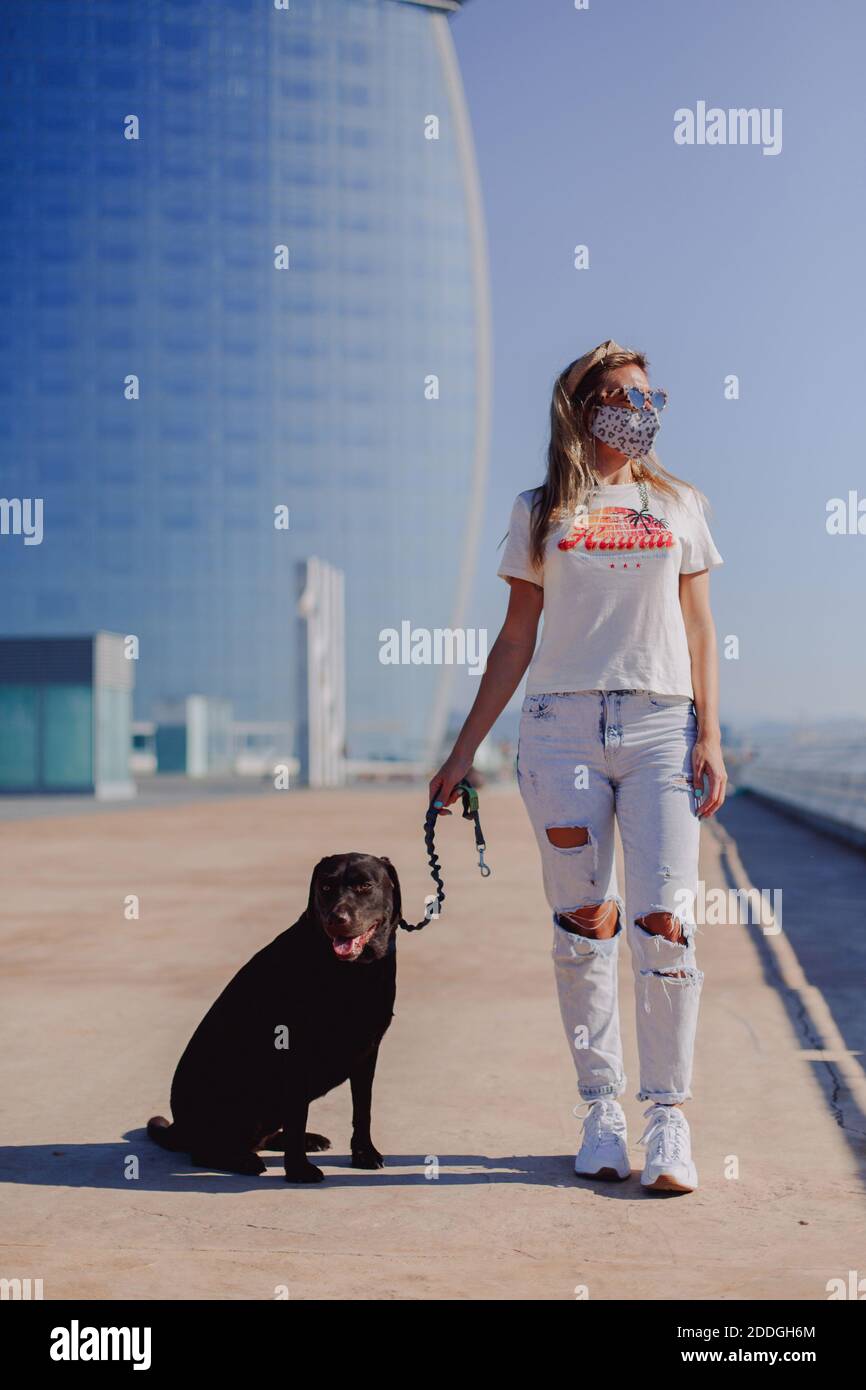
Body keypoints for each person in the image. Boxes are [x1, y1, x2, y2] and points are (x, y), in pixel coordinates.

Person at [429, 339, 726, 1194]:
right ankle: (601, 1110)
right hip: (559, 732)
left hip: (662, 725)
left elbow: (701, 629)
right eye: (622, 395)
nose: (639, 408)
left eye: (647, 393)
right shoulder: (542, 508)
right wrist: (461, 753)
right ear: (583, 406)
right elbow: (516, 637)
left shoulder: (679, 501)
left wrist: (710, 735)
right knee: (583, 925)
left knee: (665, 919)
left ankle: (668, 1120)